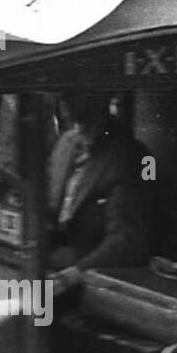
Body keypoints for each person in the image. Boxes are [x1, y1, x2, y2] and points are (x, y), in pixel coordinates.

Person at [46, 95, 150, 294]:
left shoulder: (131, 156)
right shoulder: (65, 143)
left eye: (86, 122)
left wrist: (73, 274)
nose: (77, 131)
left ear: (102, 106)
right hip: (48, 258)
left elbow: (126, 241)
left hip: (88, 272)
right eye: (72, 122)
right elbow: (49, 204)